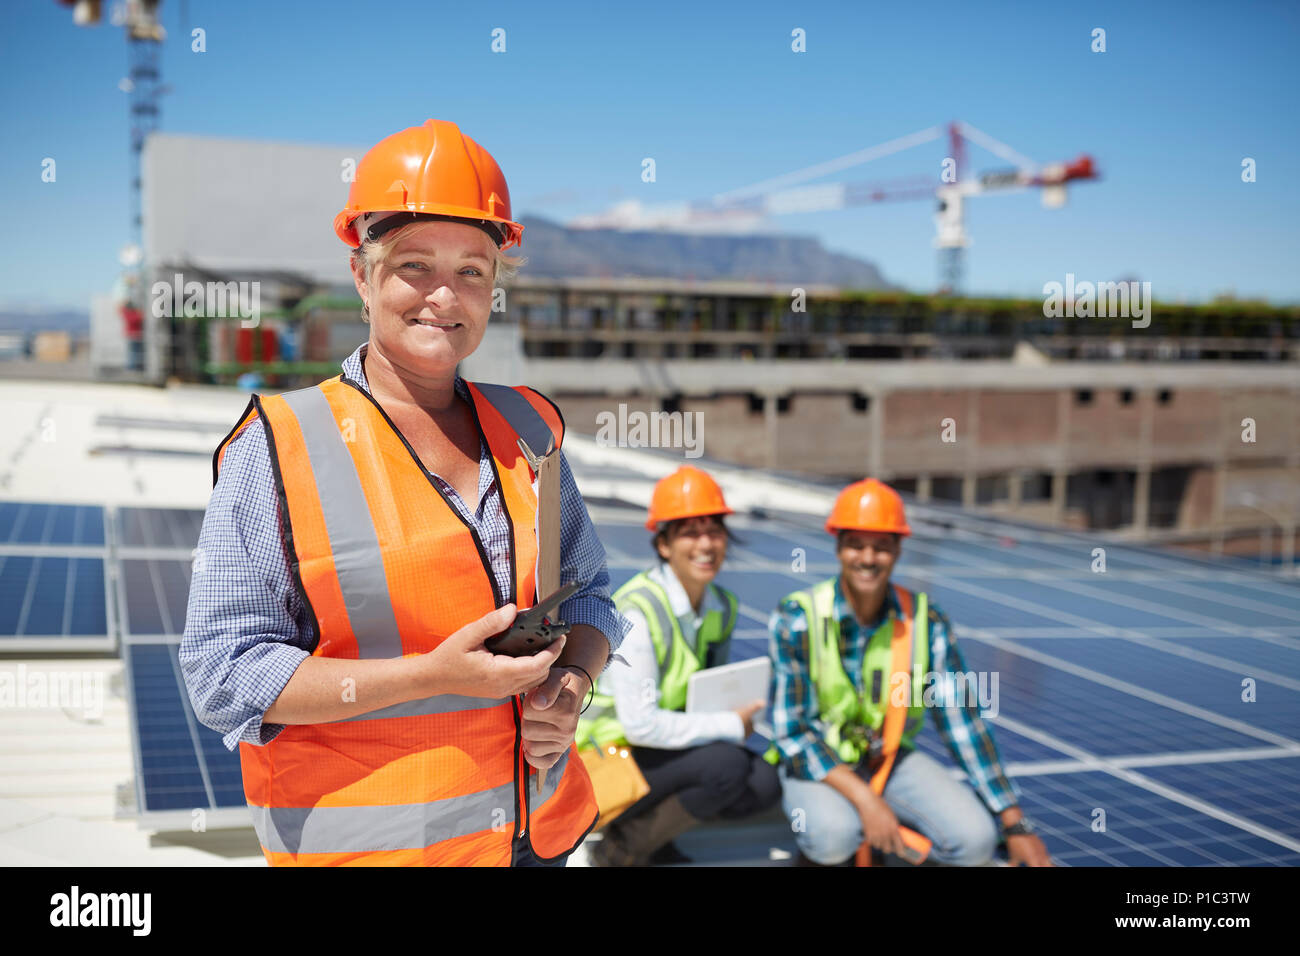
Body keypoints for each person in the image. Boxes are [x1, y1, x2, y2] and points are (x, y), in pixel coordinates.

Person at [180, 119, 626, 867]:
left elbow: (590, 598)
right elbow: (224, 674)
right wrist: (428, 678)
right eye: (414, 265)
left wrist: (573, 682)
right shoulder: (282, 444)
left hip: (530, 837)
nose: (443, 296)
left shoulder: (531, 428)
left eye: (473, 271)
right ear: (362, 275)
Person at [768, 478, 1052, 867]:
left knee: (976, 842)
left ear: (898, 549)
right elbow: (792, 733)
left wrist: (1015, 822)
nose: (868, 558)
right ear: (838, 546)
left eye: (881, 546)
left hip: (886, 759)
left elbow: (962, 724)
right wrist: (866, 800)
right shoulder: (798, 617)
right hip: (819, 765)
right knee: (834, 837)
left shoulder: (924, 620)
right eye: (856, 544)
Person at [577, 466, 780, 865]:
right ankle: (621, 851)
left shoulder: (721, 606)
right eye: (690, 532)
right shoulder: (639, 611)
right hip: (599, 760)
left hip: (653, 753)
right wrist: (731, 725)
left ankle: (652, 831)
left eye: (714, 530)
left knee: (765, 782)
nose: (706, 544)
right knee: (726, 765)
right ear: (664, 544)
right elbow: (641, 724)